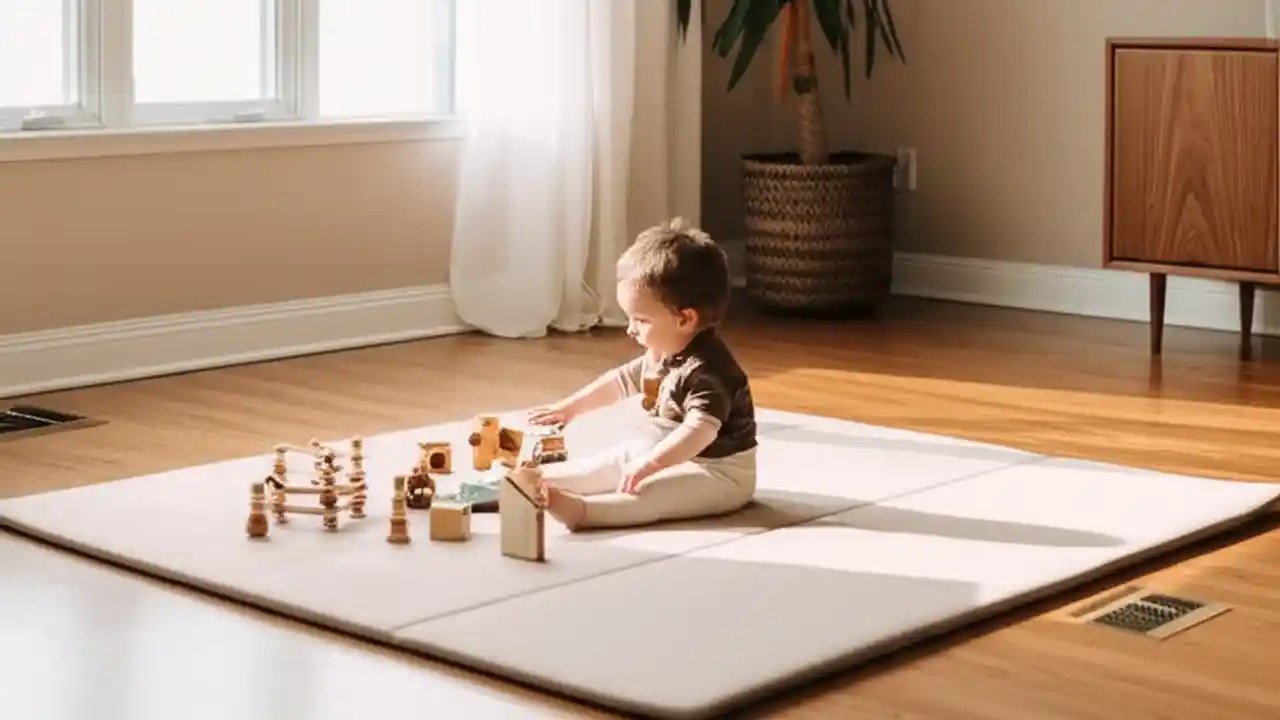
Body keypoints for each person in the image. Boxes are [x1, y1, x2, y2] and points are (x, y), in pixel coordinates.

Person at [514, 217, 758, 531]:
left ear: (685, 319)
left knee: (647, 493)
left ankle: (584, 512)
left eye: (640, 320)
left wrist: (651, 464)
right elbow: (620, 382)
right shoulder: (662, 352)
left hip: (715, 471)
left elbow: (700, 432)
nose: (630, 329)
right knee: (606, 465)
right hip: (663, 448)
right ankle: (530, 483)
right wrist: (570, 408)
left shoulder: (709, 372)